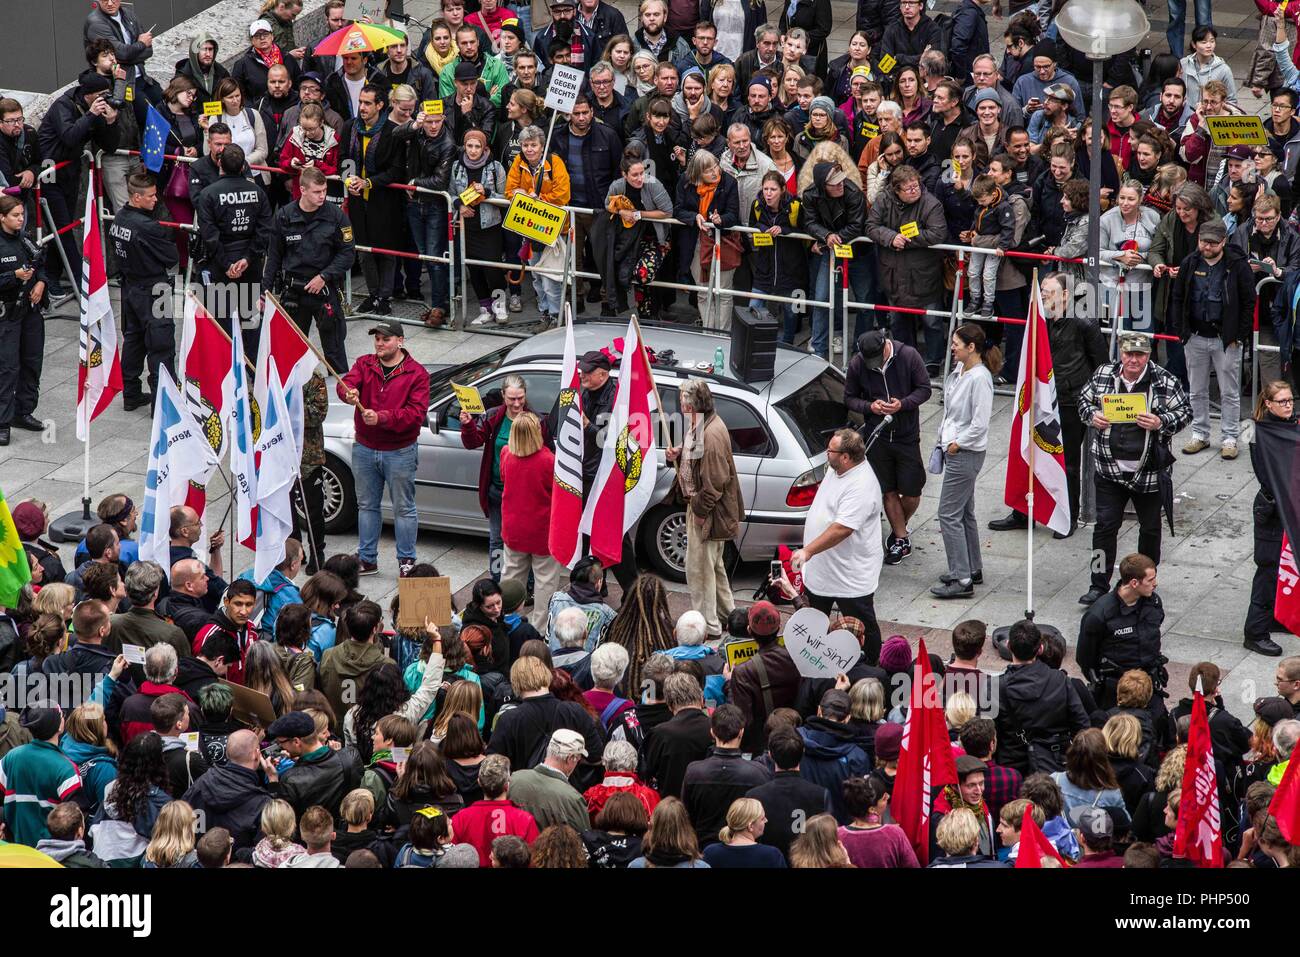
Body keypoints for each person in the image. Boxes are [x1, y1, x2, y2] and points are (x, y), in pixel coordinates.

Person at [1078, 332, 1192, 603]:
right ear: (1120, 353)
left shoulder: (1165, 380)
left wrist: (1160, 421)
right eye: (1128, 354)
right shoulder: (1104, 374)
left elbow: (1186, 412)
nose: (1133, 360)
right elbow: (1083, 402)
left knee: (1151, 530)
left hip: (1149, 473)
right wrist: (1092, 416)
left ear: (1148, 356)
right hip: (1109, 470)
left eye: (1139, 355)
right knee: (1104, 528)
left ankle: (1144, 584)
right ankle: (1097, 585)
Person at [335, 321, 429, 578]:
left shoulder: (416, 374)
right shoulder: (364, 363)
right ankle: (367, 558)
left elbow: (415, 415)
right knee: (366, 505)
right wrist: (348, 391)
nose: (379, 343)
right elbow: (346, 383)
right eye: (376, 338)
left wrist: (383, 418)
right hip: (365, 446)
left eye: (385, 339)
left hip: (400, 451)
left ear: (400, 341)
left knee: (404, 507)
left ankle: (407, 560)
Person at [788, 427, 885, 655]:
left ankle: (873, 665)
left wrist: (807, 551)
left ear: (845, 457)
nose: (826, 452)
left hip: (848, 575)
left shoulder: (861, 485)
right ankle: (812, 659)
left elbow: (842, 529)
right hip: (824, 570)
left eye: (830, 450)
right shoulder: (837, 468)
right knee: (814, 621)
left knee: (862, 625)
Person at [661, 379, 742, 638]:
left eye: (684, 397)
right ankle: (730, 615)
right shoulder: (701, 423)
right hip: (703, 509)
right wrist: (679, 453)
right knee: (713, 568)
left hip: (707, 513)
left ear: (695, 402)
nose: (681, 402)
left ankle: (708, 627)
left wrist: (699, 512)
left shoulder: (711, 433)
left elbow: (715, 484)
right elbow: (695, 461)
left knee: (699, 572)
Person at [262, 166, 355, 375]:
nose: (322, 195)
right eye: (317, 191)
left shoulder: (336, 216)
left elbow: (347, 254)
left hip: (325, 291)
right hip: (294, 292)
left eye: (324, 191)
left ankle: (341, 401)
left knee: (335, 352)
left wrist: (324, 276)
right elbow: (274, 257)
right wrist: (264, 291)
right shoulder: (284, 216)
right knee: (290, 352)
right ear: (302, 190)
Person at [928, 325, 999, 599]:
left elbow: (980, 424)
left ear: (972, 347)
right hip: (956, 449)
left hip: (964, 453)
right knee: (964, 511)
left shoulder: (979, 379)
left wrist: (957, 444)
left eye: (957, 343)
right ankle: (972, 567)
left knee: (948, 513)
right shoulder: (961, 373)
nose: (952, 347)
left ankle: (961, 578)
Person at [460, 374, 548, 582]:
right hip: (497, 492)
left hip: (526, 495)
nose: (516, 403)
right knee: (497, 539)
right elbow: (473, 442)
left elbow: (547, 454)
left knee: (527, 541)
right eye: (511, 399)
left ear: (526, 395)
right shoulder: (492, 417)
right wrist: (467, 425)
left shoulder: (537, 420)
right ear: (503, 396)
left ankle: (527, 585)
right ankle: (498, 580)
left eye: (520, 398)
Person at [1078, 552, 1171, 737]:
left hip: (1149, 685)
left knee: (1159, 731)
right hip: (1116, 692)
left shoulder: (1153, 602)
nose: (1155, 583)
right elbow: (1085, 658)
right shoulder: (1100, 614)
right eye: (1150, 579)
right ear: (1134, 583)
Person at [108, 172, 177, 413]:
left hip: (130, 289)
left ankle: (131, 393)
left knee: (134, 341)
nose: (155, 200)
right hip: (153, 289)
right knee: (161, 345)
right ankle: (162, 402)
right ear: (136, 197)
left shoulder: (119, 219)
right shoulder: (148, 226)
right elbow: (171, 257)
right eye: (151, 196)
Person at [194, 145, 273, 356]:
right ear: (243, 166)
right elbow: (264, 231)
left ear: (220, 163)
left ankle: (227, 371)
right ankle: (253, 369)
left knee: (221, 322)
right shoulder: (258, 192)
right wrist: (247, 259)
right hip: (251, 264)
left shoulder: (208, 194)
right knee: (251, 320)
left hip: (221, 266)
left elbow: (209, 236)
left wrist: (227, 264)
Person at [995, 620, 1091, 775]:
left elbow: (987, 736)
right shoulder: (1060, 680)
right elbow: (1082, 725)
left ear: (1008, 646)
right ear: (1040, 649)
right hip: (1054, 765)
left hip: (1012, 770)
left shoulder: (993, 687)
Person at [1244, 382, 1295, 656]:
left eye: (1290, 400)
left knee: (1283, 568)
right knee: (1267, 570)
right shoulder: (1262, 434)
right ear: (1268, 404)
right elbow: (1270, 475)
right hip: (1272, 511)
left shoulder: (1290, 426)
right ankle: (1255, 632)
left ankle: (1276, 616)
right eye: (1282, 401)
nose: (1288, 405)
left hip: (1288, 507)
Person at [681, 704, 772, 846]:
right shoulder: (759, 773)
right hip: (744, 850)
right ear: (741, 732)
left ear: (712, 732)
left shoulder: (694, 771)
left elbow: (686, 817)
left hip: (703, 850)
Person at [0, 194, 46, 446]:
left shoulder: (25, 239)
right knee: (7, 368)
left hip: (30, 311)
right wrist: (13, 276)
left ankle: (23, 411)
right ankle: (2, 422)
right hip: (6, 314)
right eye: (15, 215)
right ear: (2, 217)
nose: (20, 219)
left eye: (21, 215)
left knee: (32, 361)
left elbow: (42, 264)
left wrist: (41, 282)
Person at [0, 704, 80, 846]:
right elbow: (75, 819)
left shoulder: (10, 758)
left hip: (15, 851)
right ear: (58, 726)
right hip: (51, 856)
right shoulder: (66, 769)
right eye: (62, 715)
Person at [266, 710, 363, 820]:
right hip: (345, 831)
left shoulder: (291, 780)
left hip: (312, 835)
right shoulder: (351, 757)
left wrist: (273, 781)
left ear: (296, 742)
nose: (281, 747)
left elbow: (279, 820)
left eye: (281, 742)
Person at [643, 673, 713, 798]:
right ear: (701, 698)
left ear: (669, 705)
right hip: (708, 805)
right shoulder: (715, 728)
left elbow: (647, 772)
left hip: (671, 809)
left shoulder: (659, 734)